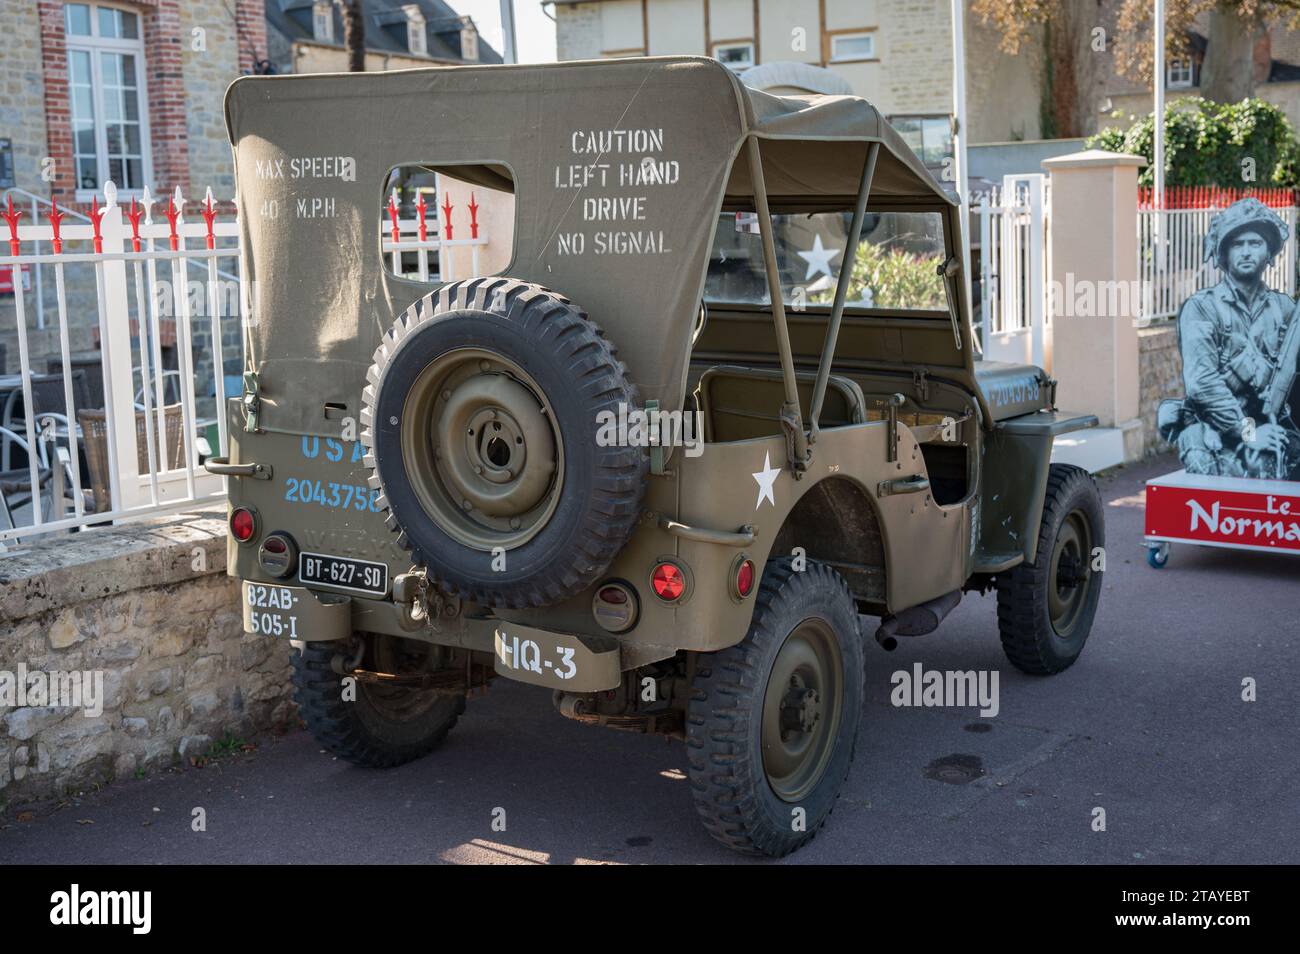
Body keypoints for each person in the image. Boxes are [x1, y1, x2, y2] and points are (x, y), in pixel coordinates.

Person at [1161, 197, 1300, 478]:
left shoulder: (1284, 309)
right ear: (1224, 253)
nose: (1246, 252)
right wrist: (1248, 432)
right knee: (1210, 482)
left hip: (1271, 428)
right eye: (1238, 244)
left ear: (1269, 252)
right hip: (1215, 432)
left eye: (1255, 243)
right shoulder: (1202, 307)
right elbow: (1202, 383)